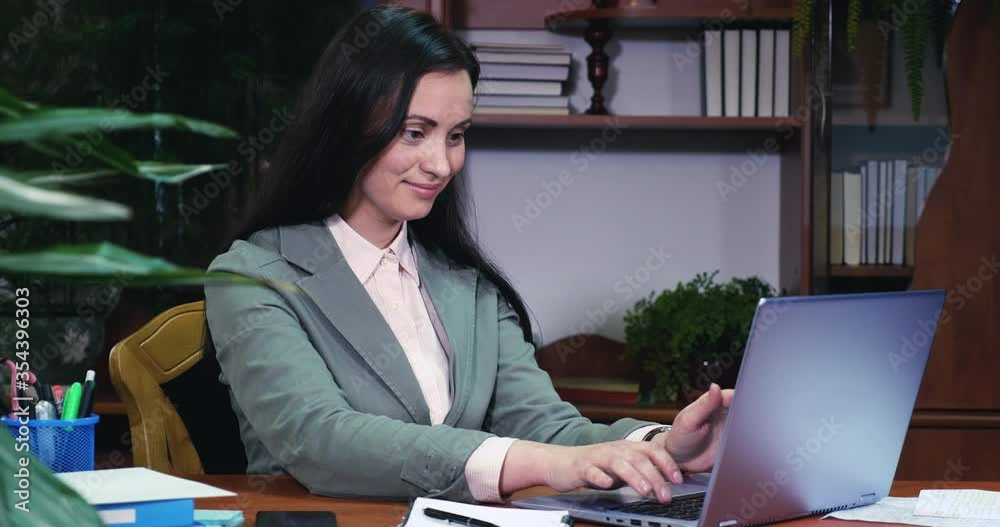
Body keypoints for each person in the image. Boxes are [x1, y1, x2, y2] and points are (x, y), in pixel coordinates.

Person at [204, 5, 733, 504]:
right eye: (415, 133)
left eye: (455, 135)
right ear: (346, 128)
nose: (440, 163)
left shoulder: (466, 286)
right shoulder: (251, 277)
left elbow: (546, 427)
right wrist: (538, 463)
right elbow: (319, 439)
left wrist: (663, 446)